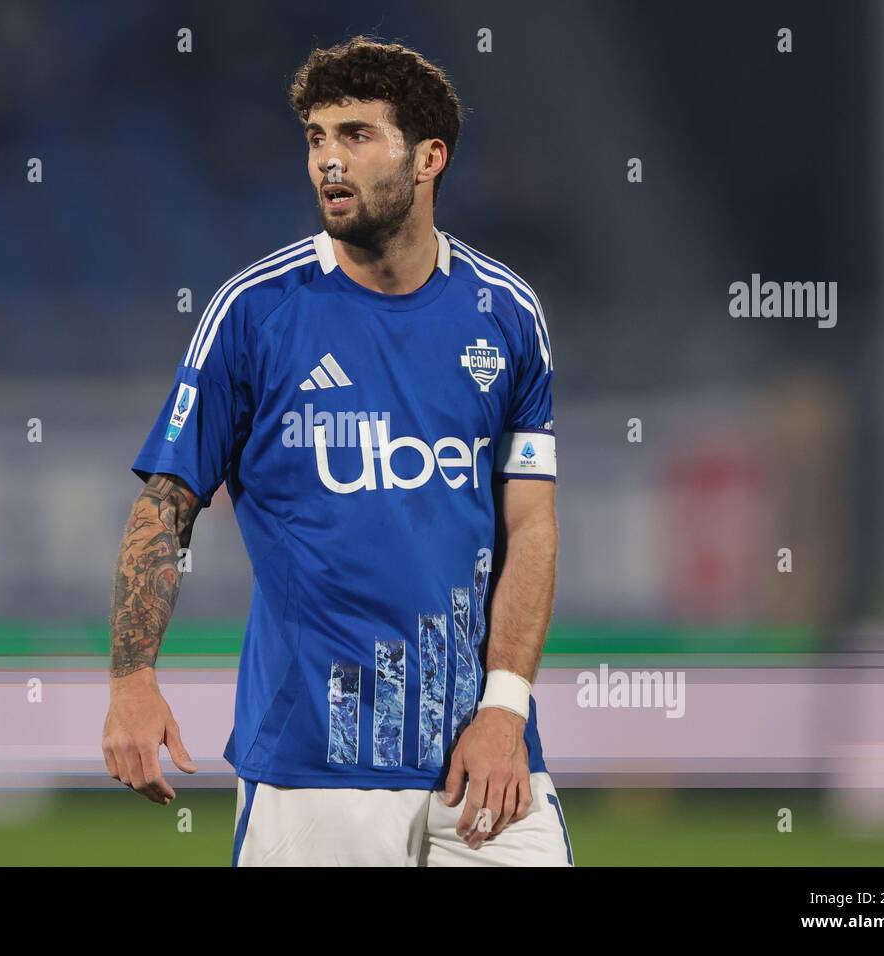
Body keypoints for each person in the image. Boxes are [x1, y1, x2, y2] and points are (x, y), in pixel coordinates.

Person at [103, 36, 571, 866]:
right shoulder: (255, 312)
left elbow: (529, 525)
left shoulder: (506, 314)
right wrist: (132, 679)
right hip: (312, 769)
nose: (328, 160)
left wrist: (506, 707)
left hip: (484, 758)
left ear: (428, 158)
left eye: (356, 135)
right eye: (316, 137)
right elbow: (166, 506)